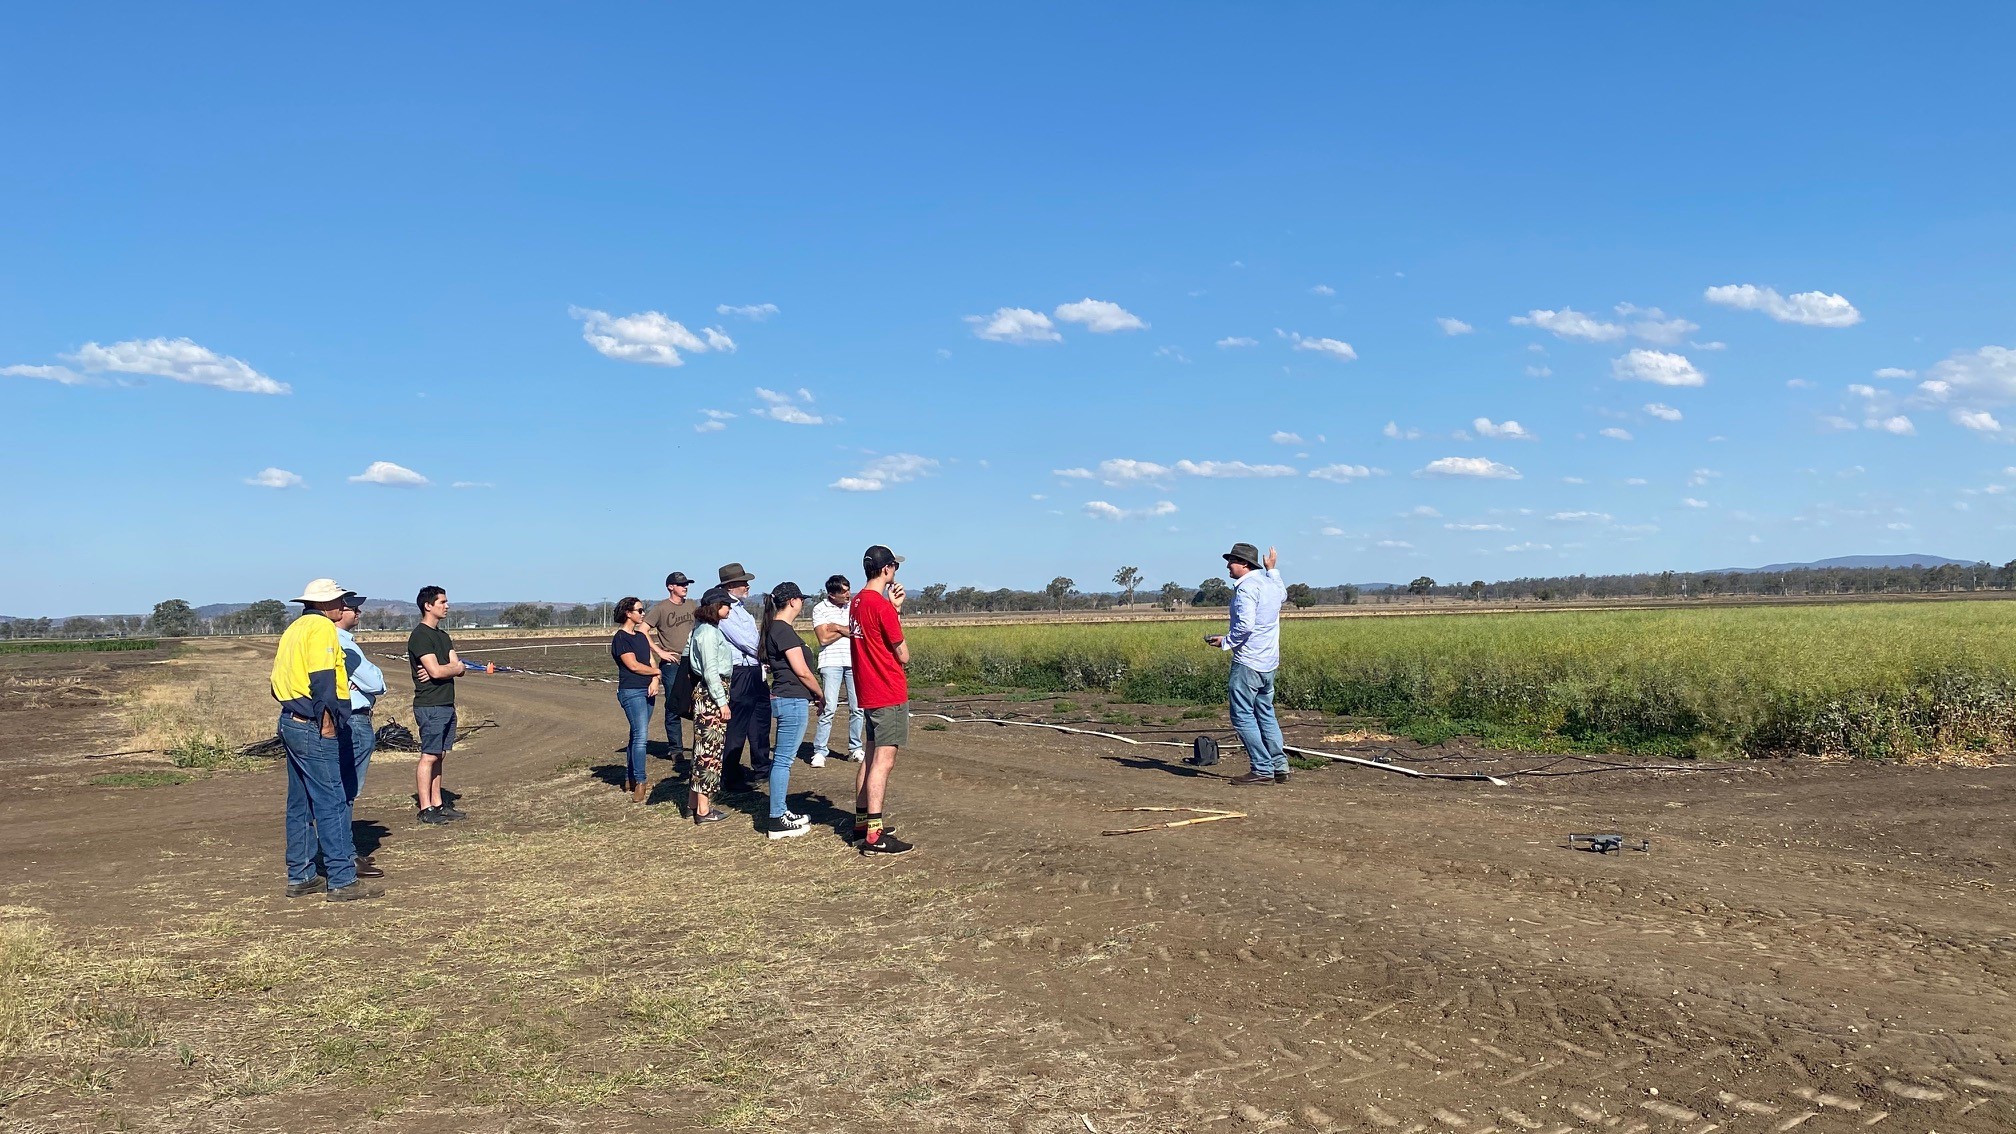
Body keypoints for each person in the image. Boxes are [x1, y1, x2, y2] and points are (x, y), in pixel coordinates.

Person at [269, 578, 374, 902]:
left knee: (299, 803)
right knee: (331, 800)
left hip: (291, 721)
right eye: (339, 601)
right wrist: (328, 725)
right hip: (315, 725)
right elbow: (324, 682)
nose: (344, 606)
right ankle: (342, 879)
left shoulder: (294, 629)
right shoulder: (322, 630)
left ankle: (300, 875)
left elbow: (276, 682)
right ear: (324, 604)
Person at [1205, 543, 1289, 786]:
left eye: (1231, 561)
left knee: (1242, 715)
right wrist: (1272, 569)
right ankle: (1279, 765)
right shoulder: (1269, 584)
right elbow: (1282, 595)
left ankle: (1262, 768)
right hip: (1268, 662)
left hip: (1248, 662)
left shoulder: (1247, 589)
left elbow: (1246, 625)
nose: (1227, 565)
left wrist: (1225, 642)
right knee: (1266, 713)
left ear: (1244, 564)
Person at [408, 586, 492, 825]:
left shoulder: (443, 636)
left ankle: (438, 803)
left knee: (440, 755)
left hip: (446, 703)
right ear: (428, 606)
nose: (447, 605)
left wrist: (451, 669)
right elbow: (438, 669)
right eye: (442, 602)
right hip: (430, 704)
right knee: (429, 756)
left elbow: (459, 667)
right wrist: (449, 669)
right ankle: (426, 808)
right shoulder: (421, 636)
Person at [849, 545, 913, 855]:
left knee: (871, 755)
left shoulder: (856, 602)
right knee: (884, 762)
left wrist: (894, 609)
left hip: (868, 691)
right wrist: (895, 611)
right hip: (888, 690)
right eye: (894, 567)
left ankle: (863, 821)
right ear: (886, 569)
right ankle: (875, 834)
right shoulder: (881, 606)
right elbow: (903, 654)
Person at [759, 582, 823, 839]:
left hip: (787, 697)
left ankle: (781, 810)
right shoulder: (782, 630)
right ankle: (776, 819)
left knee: (783, 759)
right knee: (784, 760)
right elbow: (802, 671)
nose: (803, 604)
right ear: (793, 601)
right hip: (792, 699)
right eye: (801, 599)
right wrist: (820, 694)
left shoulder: (775, 628)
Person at [332, 591, 387, 880]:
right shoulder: (344, 645)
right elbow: (376, 682)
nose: (358, 614)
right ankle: (346, 855)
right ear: (340, 612)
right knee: (347, 792)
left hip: (343, 719)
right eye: (354, 608)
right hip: (354, 720)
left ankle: (340, 852)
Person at [684, 588, 738, 826]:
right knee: (709, 752)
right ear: (716, 607)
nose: (729, 609)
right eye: (727, 604)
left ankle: (693, 803)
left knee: (703, 749)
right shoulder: (707, 633)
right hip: (711, 695)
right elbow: (710, 671)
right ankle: (703, 810)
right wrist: (722, 702)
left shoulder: (705, 630)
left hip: (709, 693)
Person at [715, 562, 771, 791]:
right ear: (731, 586)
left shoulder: (743, 610)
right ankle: (731, 773)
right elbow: (745, 641)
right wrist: (767, 653)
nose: (747, 586)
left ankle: (762, 767)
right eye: (743, 582)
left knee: (760, 721)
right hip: (740, 671)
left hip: (754, 669)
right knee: (737, 725)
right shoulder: (725, 611)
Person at [810, 574, 866, 767]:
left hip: (854, 661)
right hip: (830, 662)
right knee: (829, 708)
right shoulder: (820, 609)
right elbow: (823, 638)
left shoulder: (854, 607)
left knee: (858, 707)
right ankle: (819, 751)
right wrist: (846, 630)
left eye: (848, 589)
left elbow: (859, 631)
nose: (847, 594)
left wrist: (836, 627)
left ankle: (855, 748)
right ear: (832, 594)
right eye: (843, 591)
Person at [641, 571, 697, 764]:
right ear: (670, 587)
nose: (685, 587)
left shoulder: (692, 605)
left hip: (694, 661)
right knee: (674, 704)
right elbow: (642, 630)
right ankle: (676, 749)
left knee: (697, 703)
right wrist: (660, 652)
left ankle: (699, 747)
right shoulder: (660, 608)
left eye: (686, 584)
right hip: (672, 663)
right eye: (681, 584)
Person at [611, 596, 663, 803]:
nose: (643, 614)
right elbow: (633, 665)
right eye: (640, 610)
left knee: (636, 734)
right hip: (631, 690)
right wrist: (656, 671)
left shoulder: (641, 637)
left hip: (647, 689)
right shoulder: (621, 638)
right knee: (641, 735)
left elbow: (650, 660)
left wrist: (655, 679)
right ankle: (641, 782)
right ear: (628, 613)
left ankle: (630, 777)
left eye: (643, 610)